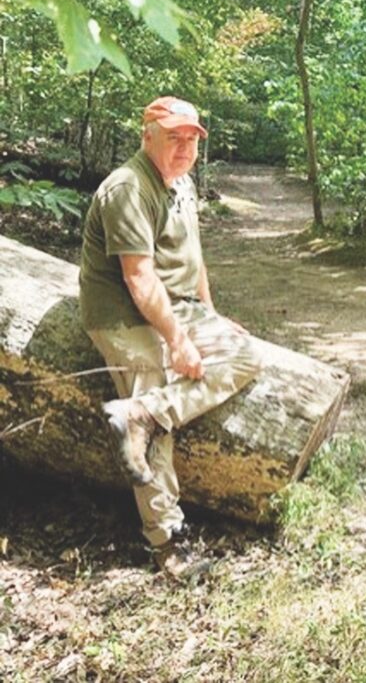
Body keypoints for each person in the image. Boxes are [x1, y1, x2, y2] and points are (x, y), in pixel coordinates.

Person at [79, 96, 262, 579]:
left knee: (245, 355)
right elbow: (139, 279)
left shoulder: (181, 183)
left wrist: (211, 316)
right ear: (147, 136)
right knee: (153, 381)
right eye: (173, 137)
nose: (184, 148)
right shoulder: (128, 189)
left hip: (175, 304)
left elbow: (193, 260)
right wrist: (178, 341)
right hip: (122, 314)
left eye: (191, 140)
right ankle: (168, 542)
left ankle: (144, 416)